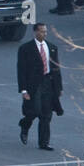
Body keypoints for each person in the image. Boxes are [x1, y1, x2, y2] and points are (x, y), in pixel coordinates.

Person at [17, 23, 63, 151]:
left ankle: (44, 142)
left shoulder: (52, 48)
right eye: (42, 31)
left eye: (46, 32)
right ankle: (25, 125)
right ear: (35, 32)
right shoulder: (26, 49)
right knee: (34, 110)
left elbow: (56, 69)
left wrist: (59, 88)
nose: (44, 34)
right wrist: (24, 90)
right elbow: (21, 70)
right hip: (34, 84)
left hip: (48, 82)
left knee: (46, 114)